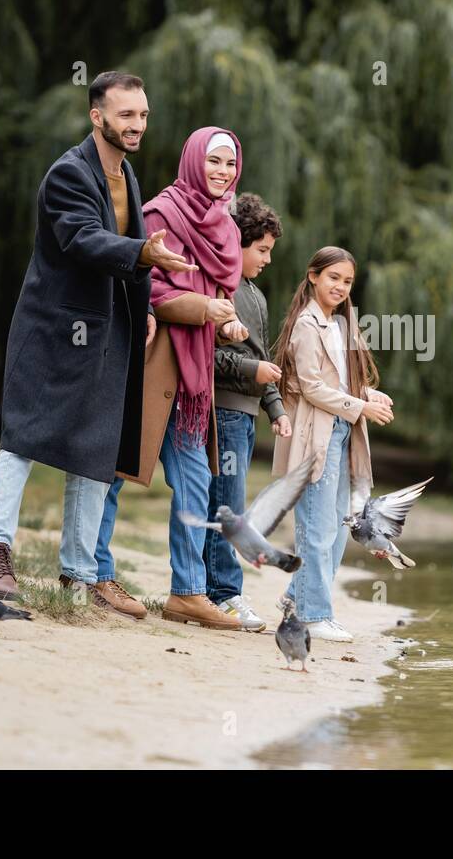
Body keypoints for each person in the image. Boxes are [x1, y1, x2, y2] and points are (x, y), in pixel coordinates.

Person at [0, 71, 195, 618]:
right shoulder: (69, 173)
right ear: (98, 117)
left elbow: (121, 255)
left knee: (95, 453)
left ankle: (78, 576)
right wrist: (144, 252)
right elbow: (81, 239)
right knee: (22, 438)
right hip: (53, 331)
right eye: (126, 115)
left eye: (142, 115)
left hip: (107, 336)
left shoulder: (128, 175)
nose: (137, 125)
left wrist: (140, 311)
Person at [104, 126, 249, 631]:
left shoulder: (227, 230)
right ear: (193, 160)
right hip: (149, 362)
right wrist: (203, 308)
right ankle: (95, 574)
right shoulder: (161, 212)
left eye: (229, 164)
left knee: (196, 480)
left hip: (192, 378)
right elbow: (144, 288)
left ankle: (187, 592)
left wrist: (225, 323)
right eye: (213, 161)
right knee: (117, 471)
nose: (222, 172)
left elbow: (215, 299)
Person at [270, 246, 394, 643]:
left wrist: (368, 394)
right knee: (317, 529)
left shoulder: (339, 325)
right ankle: (313, 615)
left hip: (343, 432)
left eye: (347, 281)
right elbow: (310, 386)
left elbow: (338, 381)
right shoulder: (307, 325)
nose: (340, 287)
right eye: (333, 278)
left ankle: (297, 597)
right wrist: (359, 406)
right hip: (316, 434)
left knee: (341, 528)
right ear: (313, 276)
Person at [201, 193, 291, 631]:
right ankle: (224, 594)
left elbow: (263, 354)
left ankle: (210, 591)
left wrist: (274, 406)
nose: (268, 259)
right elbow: (210, 357)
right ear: (237, 242)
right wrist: (255, 372)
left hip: (247, 416)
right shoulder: (222, 290)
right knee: (228, 508)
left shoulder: (255, 294)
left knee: (227, 503)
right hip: (223, 412)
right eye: (262, 250)